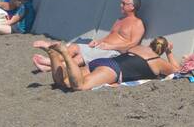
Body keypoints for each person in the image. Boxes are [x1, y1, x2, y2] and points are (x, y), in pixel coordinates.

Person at [31, 0, 144, 72]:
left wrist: (110, 46)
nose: (121, 5)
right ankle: (50, 65)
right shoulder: (119, 20)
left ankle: (50, 64)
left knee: (80, 58)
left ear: (132, 7)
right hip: (103, 46)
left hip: (114, 51)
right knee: (74, 47)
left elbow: (132, 44)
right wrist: (97, 41)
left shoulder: (137, 23)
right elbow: (110, 36)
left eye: (124, 3)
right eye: (121, 2)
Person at [45, 36, 181, 91]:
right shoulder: (157, 61)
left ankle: (53, 56)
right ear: (161, 51)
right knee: (80, 86)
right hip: (111, 70)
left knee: (64, 82)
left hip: (103, 62)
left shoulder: (138, 47)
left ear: (150, 43)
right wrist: (169, 52)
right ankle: (64, 54)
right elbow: (177, 71)